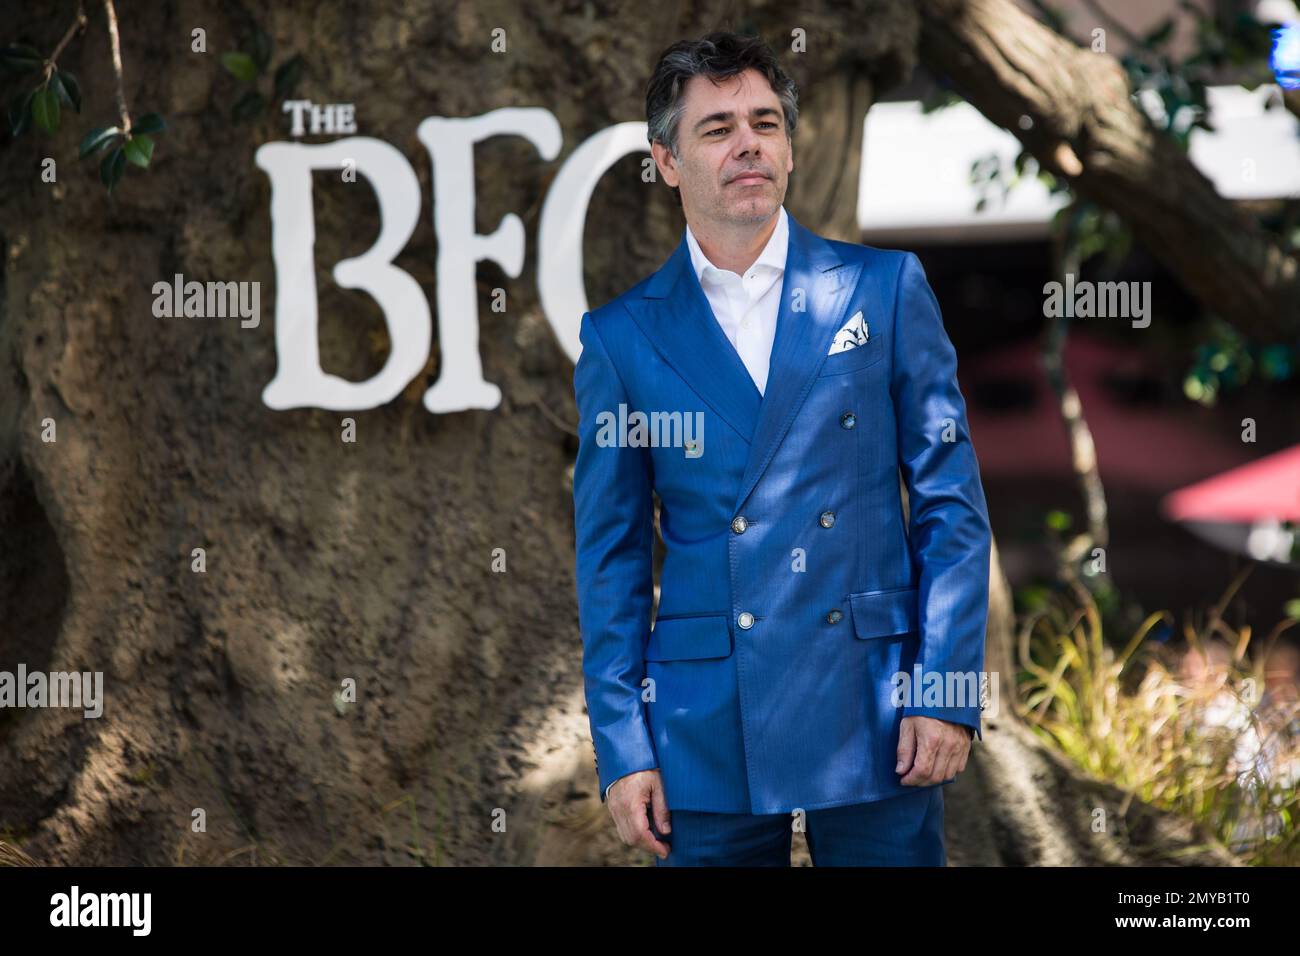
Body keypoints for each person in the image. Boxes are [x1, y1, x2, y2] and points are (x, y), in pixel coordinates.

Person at [571, 30, 992, 866]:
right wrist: (623, 746)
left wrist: (944, 690)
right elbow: (611, 558)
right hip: (702, 721)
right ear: (665, 160)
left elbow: (952, 508)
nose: (748, 143)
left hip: (877, 706)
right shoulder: (620, 339)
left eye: (765, 122)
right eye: (716, 128)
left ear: (792, 150)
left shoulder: (886, 287)